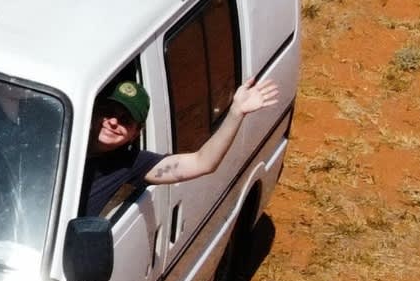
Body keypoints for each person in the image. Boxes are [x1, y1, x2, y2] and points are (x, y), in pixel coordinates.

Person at [83, 75, 280, 217]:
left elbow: (202, 162)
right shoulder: (62, 137)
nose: (114, 122)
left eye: (126, 120)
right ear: (95, 112)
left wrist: (236, 112)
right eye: (108, 112)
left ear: (136, 133)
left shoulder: (131, 164)